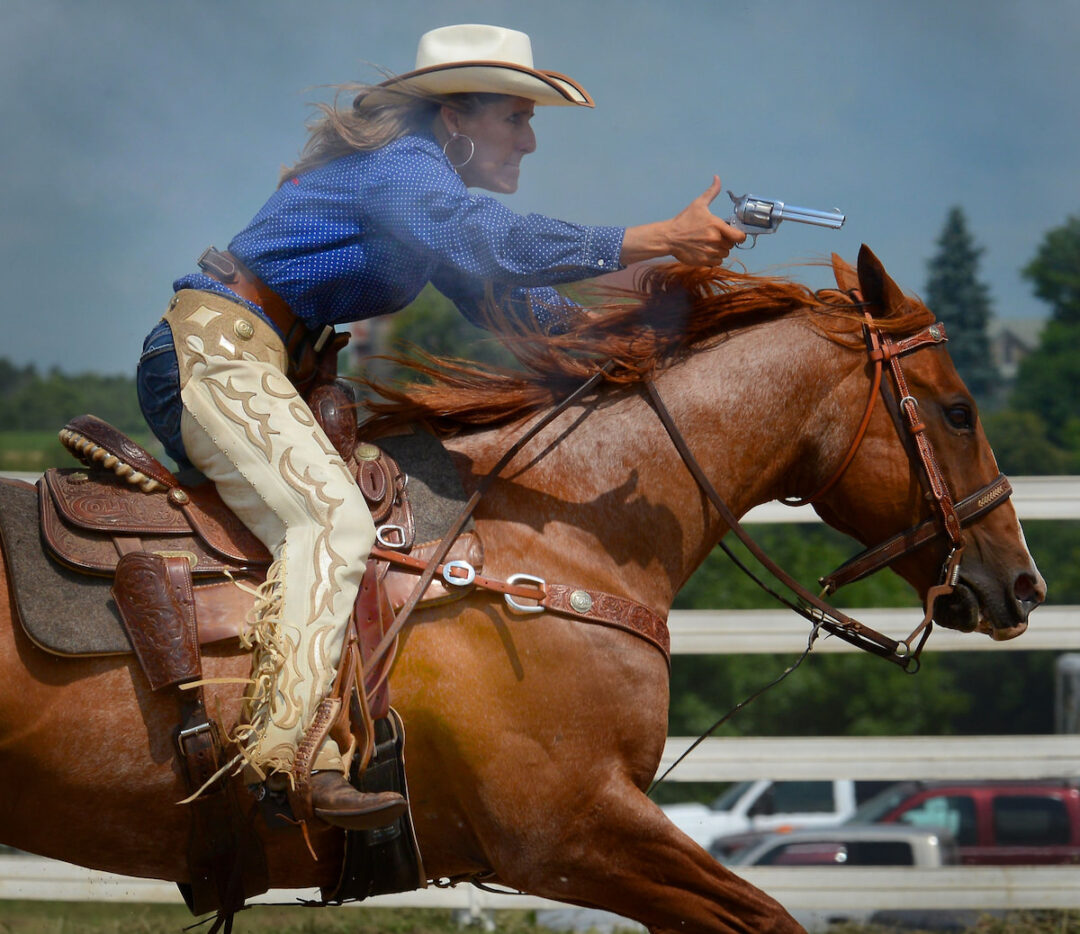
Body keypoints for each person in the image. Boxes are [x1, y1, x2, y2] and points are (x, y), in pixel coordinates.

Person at [136, 23, 744, 832]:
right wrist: (652, 240)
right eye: (514, 119)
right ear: (455, 119)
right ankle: (280, 759)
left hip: (247, 357)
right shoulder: (405, 170)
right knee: (333, 521)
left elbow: (525, 309)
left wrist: (665, 334)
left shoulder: (421, 198)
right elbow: (490, 240)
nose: (529, 142)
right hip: (216, 356)